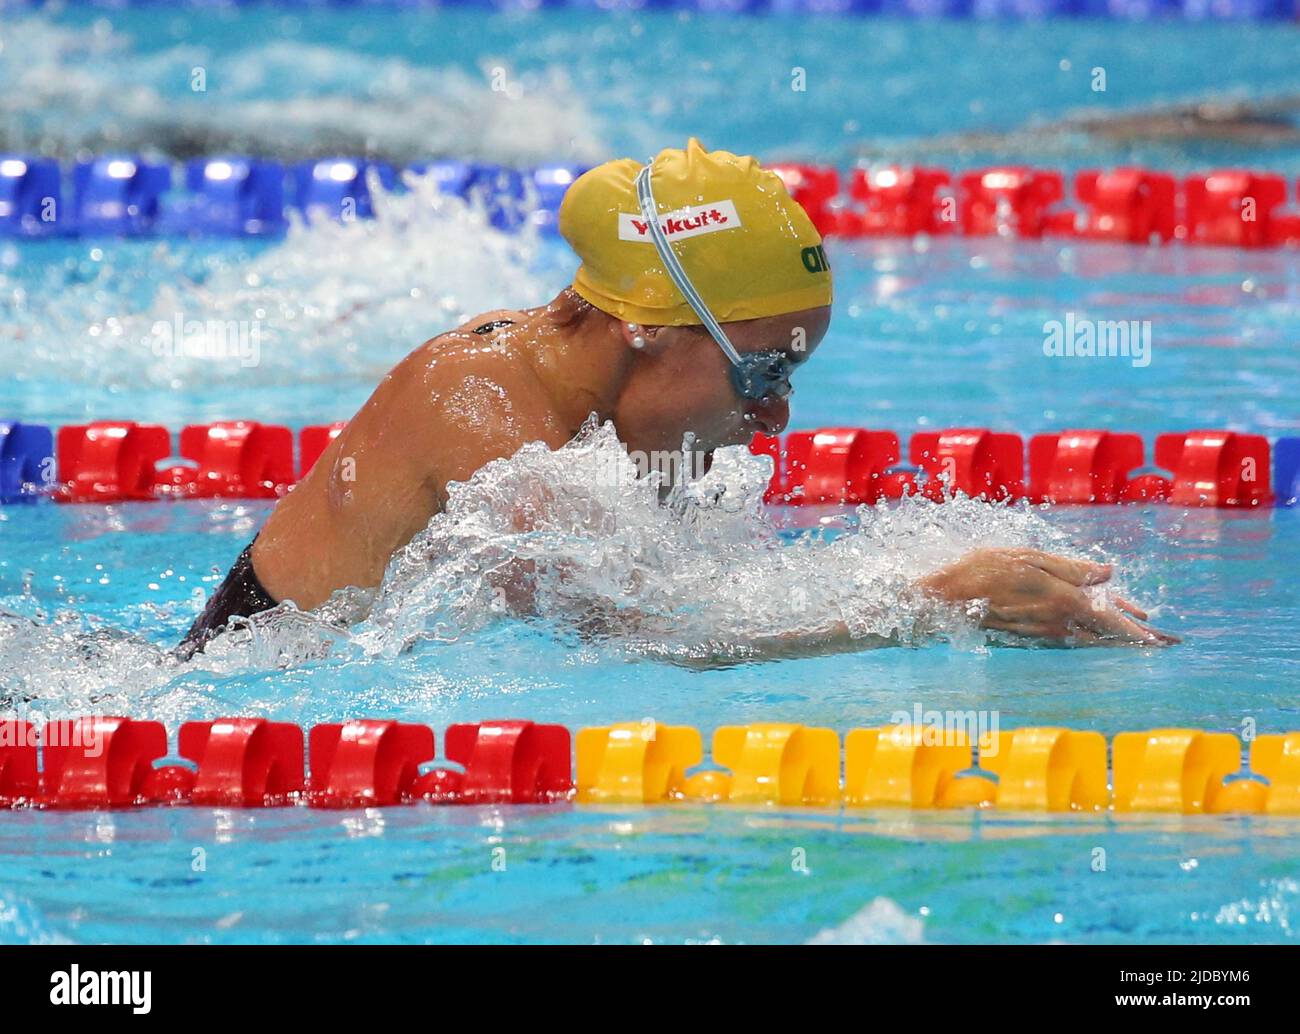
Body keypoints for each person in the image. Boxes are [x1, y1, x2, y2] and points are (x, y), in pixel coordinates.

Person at [177, 138, 1175, 659]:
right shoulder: (482, 405)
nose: (776, 418)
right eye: (762, 372)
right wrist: (937, 597)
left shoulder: (594, 415)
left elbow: (704, 597)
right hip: (243, 721)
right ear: (643, 326)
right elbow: (658, 640)